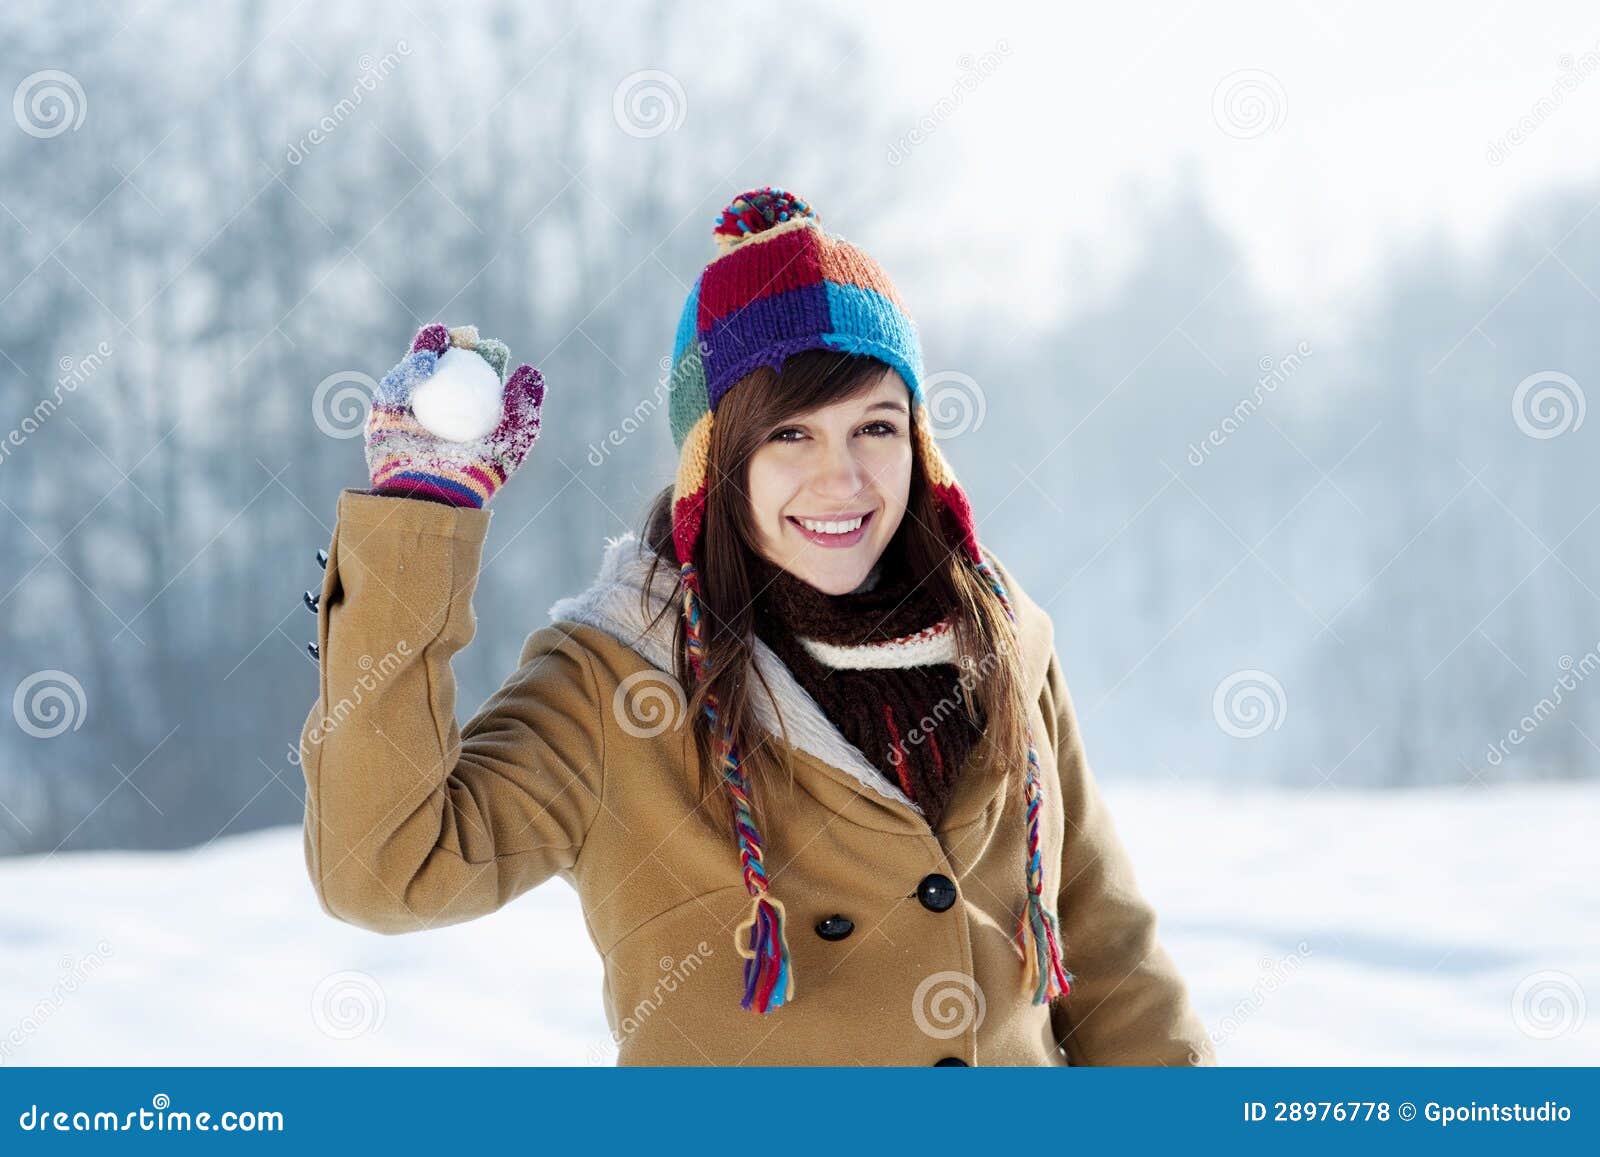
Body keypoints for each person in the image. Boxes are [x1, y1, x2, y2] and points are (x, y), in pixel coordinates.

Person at [296, 186, 1212, 1067]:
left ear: (920, 442)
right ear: (714, 460)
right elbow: (386, 869)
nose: (843, 479)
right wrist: (417, 529)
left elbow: (1110, 957)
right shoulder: (617, 679)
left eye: (876, 427)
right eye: (789, 435)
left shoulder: (1002, 636)